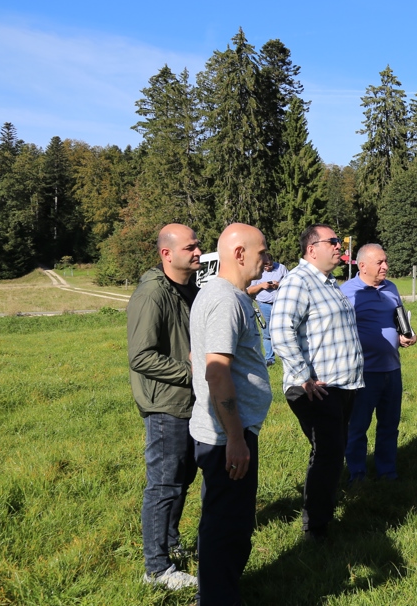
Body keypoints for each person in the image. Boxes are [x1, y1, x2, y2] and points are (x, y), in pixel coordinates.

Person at [188, 223, 274, 604]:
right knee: (228, 528)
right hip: (228, 437)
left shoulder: (225, 296)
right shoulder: (224, 300)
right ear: (239, 253)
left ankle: (219, 591)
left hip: (228, 432)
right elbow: (217, 370)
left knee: (226, 524)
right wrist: (236, 438)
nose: (266, 259)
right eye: (261, 252)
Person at [271, 224, 365, 542]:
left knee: (332, 453)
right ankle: (316, 527)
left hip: (341, 385)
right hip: (318, 387)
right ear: (313, 249)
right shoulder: (298, 282)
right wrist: (303, 377)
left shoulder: (328, 282)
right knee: (326, 453)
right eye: (334, 242)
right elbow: (281, 330)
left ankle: (324, 513)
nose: (340, 246)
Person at [127, 223, 202, 591]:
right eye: (190, 247)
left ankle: (171, 542)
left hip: (189, 401)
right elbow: (140, 356)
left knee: (183, 476)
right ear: (166, 253)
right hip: (165, 403)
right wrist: (190, 371)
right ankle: (156, 569)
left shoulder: (191, 288)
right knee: (163, 485)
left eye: (198, 246)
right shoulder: (151, 294)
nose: (198, 252)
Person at [340, 244, 416, 483]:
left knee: (389, 425)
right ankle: (357, 473)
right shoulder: (347, 292)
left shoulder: (391, 288)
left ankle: (387, 471)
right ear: (362, 266)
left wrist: (406, 334)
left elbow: (399, 318)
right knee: (358, 426)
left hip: (392, 369)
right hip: (363, 372)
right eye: (379, 263)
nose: (385, 266)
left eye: (385, 261)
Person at [247, 254, 287, 366]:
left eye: (269, 266)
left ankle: (285, 356)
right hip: (263, 305)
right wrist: (261, 286)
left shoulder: (281, 268)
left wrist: (279, 285)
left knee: (284, 329)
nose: (267, 268)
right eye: (265, 266)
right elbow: (249, 290)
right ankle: (269, 358)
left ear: (273, 261)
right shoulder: (256, 270)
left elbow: (289, 284)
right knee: (267, 332)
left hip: (280, 304)